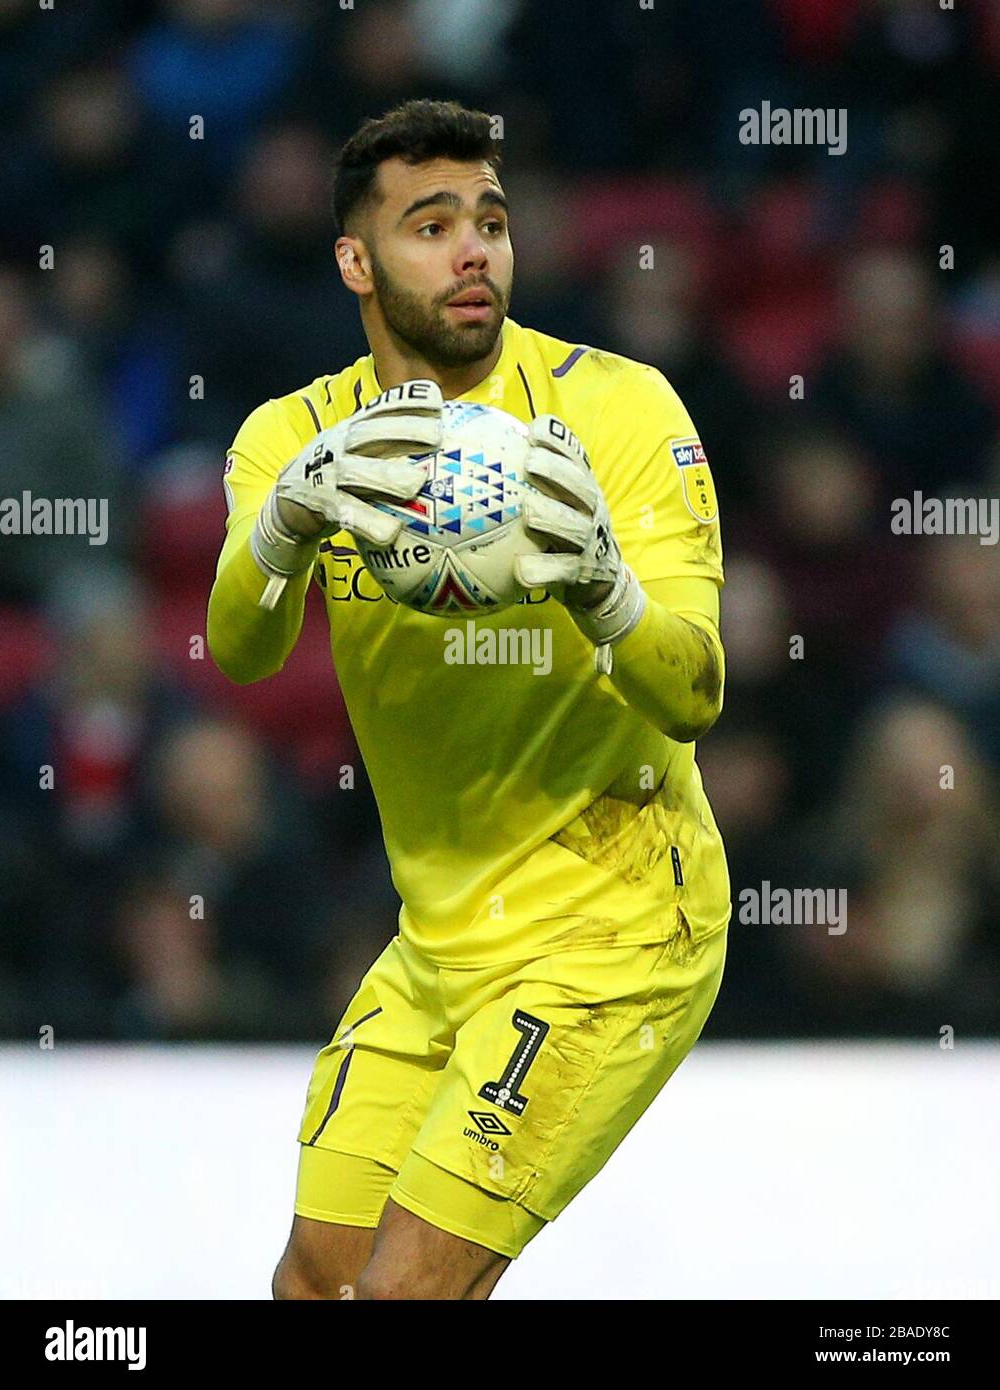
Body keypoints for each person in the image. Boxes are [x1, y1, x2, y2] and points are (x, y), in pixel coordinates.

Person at [207, 99, 730, 1300]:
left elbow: (697, 686)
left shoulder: (618, 409)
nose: (473, 250)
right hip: (439, 937)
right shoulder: (293, 438)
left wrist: (606, 591)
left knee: (404, 1295)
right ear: (355, 260)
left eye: (490, 221)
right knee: (317, 1282)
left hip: (616, 923)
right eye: (430, 224)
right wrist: (286, 521)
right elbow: (240, 648)